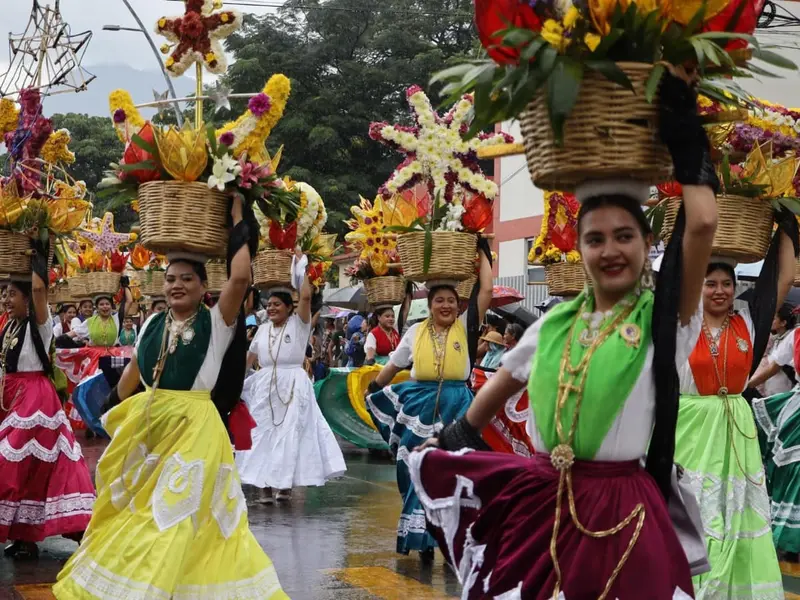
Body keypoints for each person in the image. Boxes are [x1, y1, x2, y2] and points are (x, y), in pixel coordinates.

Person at [405, 71, 718, 598]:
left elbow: (704, 223)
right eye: (595, 238)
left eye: (624, 236)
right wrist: (453, 438)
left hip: (625, 514)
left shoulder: (666, 323)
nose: (610, 250)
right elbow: (499, 385)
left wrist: (684, 121)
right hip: (544, 503)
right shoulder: (553, 324)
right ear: (580, 248)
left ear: (647, 244)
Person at [54, 196, 289, 599]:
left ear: (202, 287)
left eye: (186, 279)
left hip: (196, 428)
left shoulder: (217, 322)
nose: (176, 285)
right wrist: (112, 402)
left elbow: (238, 279)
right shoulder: (150, 324)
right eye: (170, 279)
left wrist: (238, 220)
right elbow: (133, 372)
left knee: (178, 514)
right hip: (151, 426)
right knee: (141, 512)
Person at [676, 250, 793, 595]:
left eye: (727, 283)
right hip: (690, 429)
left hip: (735, 429)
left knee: (736, 509)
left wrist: (785, 226)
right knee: (695, 504)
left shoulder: (749, 321)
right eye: (710, 283)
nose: (719, 290)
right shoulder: (680, 325)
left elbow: (782, 280)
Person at [366, 247, 493, 560]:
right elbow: (394, 366)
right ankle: (422, 539)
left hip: (459, 406)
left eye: (451, 300)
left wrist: (482, 251)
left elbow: (486, 288)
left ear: (458, 304)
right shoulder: (414, 331)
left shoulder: (466, 326)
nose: (446, 305)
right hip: (418, 405)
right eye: (440, 300)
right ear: (430, 304)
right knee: (414, 469)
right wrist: (374, 388)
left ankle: (452, 540)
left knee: (456, 474)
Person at [0, 244, 95, 559]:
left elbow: (40, 286)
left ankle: (83, 532)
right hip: (12, 398)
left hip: (35, 400)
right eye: (3, 294)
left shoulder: (39, 322)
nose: (5, 299)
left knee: (16, 466)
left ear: (27, 298)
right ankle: (25, 536)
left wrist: (39, 246)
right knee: (31, 468)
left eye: (11, 294)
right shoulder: (9, 324)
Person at [235, 273, 346, 505]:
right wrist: (233, 378)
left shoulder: (299, 324)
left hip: (293, 384)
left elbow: (305, 298)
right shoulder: (262, 329)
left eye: (277, 305)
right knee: (261, 433)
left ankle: (284, 485)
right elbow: (250, 357)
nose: (272, 308)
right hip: (265, 385)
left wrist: (303, 268)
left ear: (289, 308)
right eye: (270, 305)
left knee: (290, 433)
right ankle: (263, 485)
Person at [753, 303, 796, 398]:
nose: (770, 321)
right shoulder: (776, 338)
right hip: (771, 386)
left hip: (782, 388)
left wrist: (751, 384)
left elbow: (776, 366)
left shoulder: (790, 338)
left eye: (774, 318)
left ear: (783, 323)